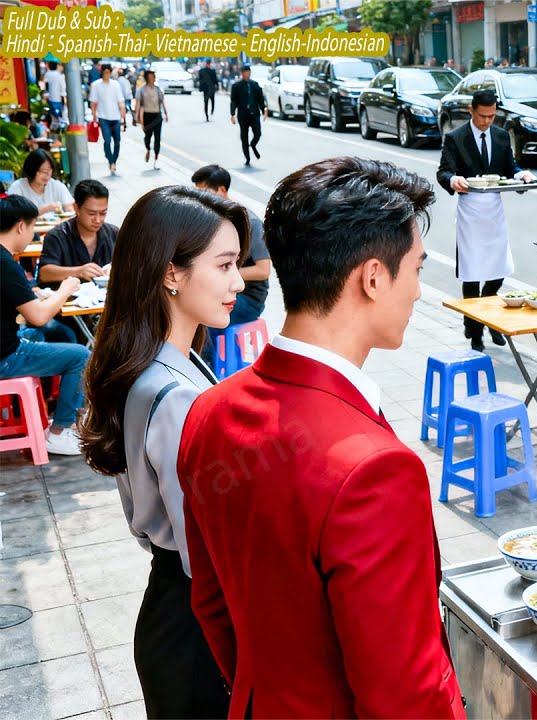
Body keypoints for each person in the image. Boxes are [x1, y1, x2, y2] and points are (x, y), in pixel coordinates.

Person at [177, 157, 465, 719]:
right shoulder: (375, 469)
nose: (419, 291)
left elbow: (212, 603)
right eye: (416, 270)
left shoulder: (210, 411)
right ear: (374, 277)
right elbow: (405, 694)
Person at [79, 186, 246, 718]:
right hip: (196, 621)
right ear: (170, 273)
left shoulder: (160, 362)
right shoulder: (172, 391)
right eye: (223, 266)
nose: (237, 283)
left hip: (176, 608)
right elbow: (204, 549)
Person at [436, 88, 536, 351]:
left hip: (494, 210)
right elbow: (443, 171)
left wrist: (521, 175)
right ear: (471, 111)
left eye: (492, 116)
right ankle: (476, 330)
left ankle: (486, 319)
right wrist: (452, 179)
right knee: (472, 274)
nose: (487, 121)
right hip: (469, 210)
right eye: (483, 116)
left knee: (497, 270)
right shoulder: (456, 138)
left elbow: (509, 168)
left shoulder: (502, 137)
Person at [0, 195, 89, 456]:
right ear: (20, 226)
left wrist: (37, 293)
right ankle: (61, 430)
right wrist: (65, 289)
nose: (32, 235)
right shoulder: (6, 264)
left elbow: (21, 296)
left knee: (57, 331)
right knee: (81, 356)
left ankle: (57, 408)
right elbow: (38, 315)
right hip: (5, 355)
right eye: (32, 227)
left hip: (8, 340)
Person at [191, 164, 270, 362]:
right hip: (220, 292)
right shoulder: (211, 220)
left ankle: (205, 368)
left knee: (204, 317)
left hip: (248, 298)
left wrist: (224, 271)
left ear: (222, 190)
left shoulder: (249, 222)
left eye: (205, 192)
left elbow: (263, 270)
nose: (201, 198)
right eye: (197, 193)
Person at [39, 179, 116, 286]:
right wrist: (78, 272)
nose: (98, 220)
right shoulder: (57, 235)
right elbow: (44, 273)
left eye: (103, 213)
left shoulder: (114, 233)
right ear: (76, 208)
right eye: (91, 213)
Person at [88, 63, 128, 175]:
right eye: (105, 72)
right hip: (103, 117)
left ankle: (113, 161)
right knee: (107, 140)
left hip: (115, 117)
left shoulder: (115, 85)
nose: (106, 74)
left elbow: (121, 101)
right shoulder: (96, 85)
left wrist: (123, 117)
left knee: (117, 141)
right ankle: (110, 161)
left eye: (108, 72)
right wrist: (94, 116)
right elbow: (93, 102)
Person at [8, 150, 74, 215]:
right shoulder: (18, 187)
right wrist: (44, 210)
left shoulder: (57, 186)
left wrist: (69, 209)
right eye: (43, 171)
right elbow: (13, 216)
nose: (47, 175)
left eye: (49, 171)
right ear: (31, 170)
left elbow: (70, 207)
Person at [229, 66, 266, 166]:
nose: (247, 74)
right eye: (245, 72)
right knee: (244, 136)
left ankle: (253, 145)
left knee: (257, 133)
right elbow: (233, 101)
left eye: (248, 72)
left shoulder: (255, 85)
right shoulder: (236, 86)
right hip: (243, 115)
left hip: (254, 114)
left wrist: (264, 109)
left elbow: (260, 99)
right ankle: (247, 157)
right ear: (241, 73)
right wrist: (232, 114)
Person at [134, 70, 168, 168]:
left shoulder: (158, 89)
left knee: (157, 138)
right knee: (147, 136)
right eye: (150, 77)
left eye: (153, 77)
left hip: (157, 115)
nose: (151, 79)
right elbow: (138, 104)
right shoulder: (141, 90)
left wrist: (166, 113)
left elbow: (162, 102)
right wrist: (136, 117)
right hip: (147, 115)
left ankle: (156, 157)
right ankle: (148, 149)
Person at [44, 61, 66, 126]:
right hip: (58, 99)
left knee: (53, 116)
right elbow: (62, 87)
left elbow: (46, 85)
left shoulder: (47, 74)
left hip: (50, 98)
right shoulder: (59, 75)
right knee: (59, 116)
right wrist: (64, 97)